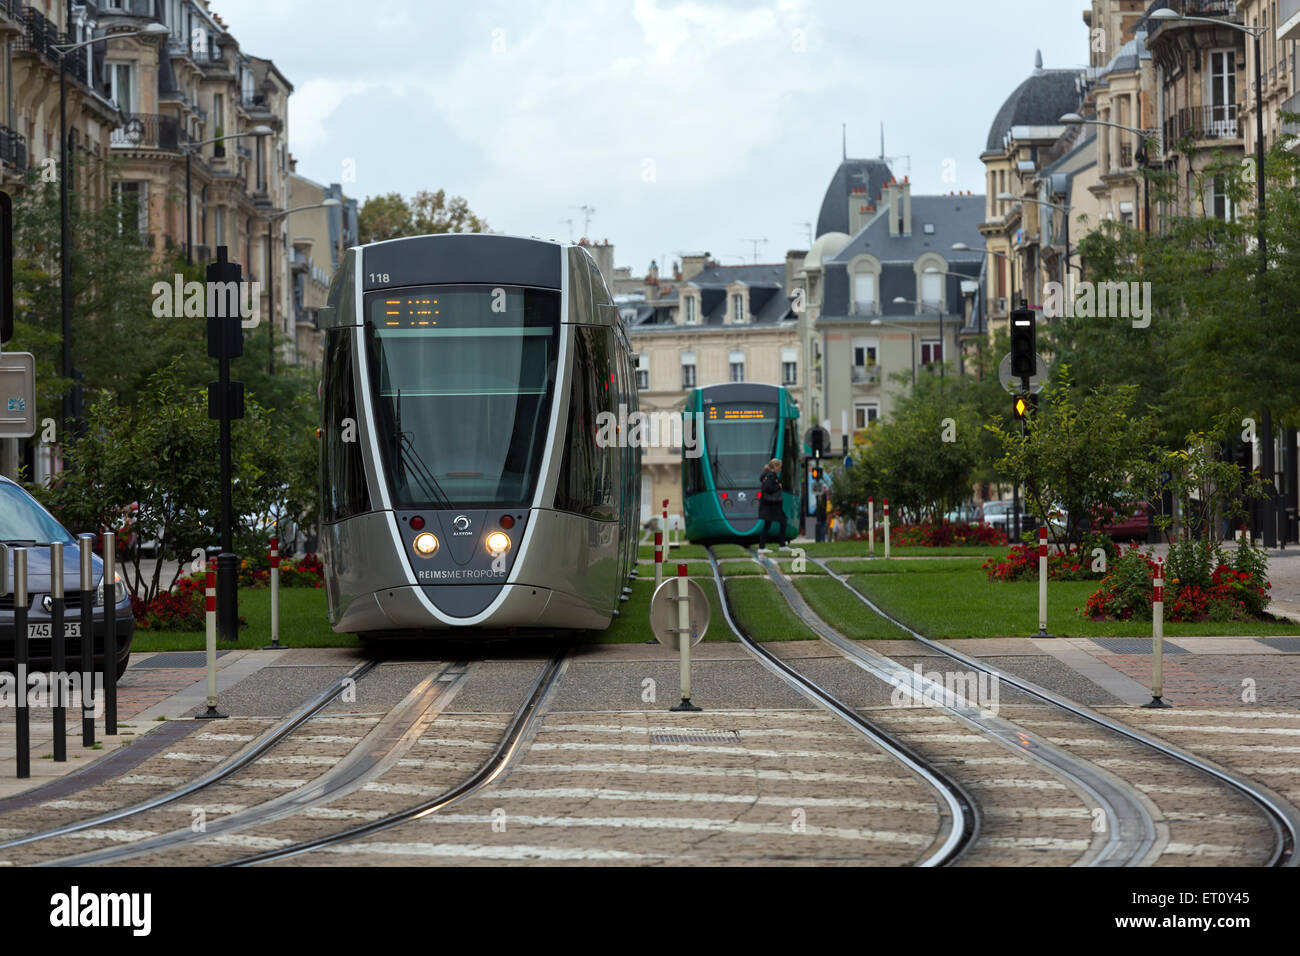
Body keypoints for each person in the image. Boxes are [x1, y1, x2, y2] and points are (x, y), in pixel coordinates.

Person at [757, 458, 787, 552]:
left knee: (768, 525)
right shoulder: (771, 475)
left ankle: (762, 547)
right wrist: (778, 486)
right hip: (772, 505)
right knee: (783, 522)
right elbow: (767, 488)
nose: (780, 469)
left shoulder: (767, 475)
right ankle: (781, 545)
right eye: (779, 467)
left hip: (769, 505)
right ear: (775, 466)